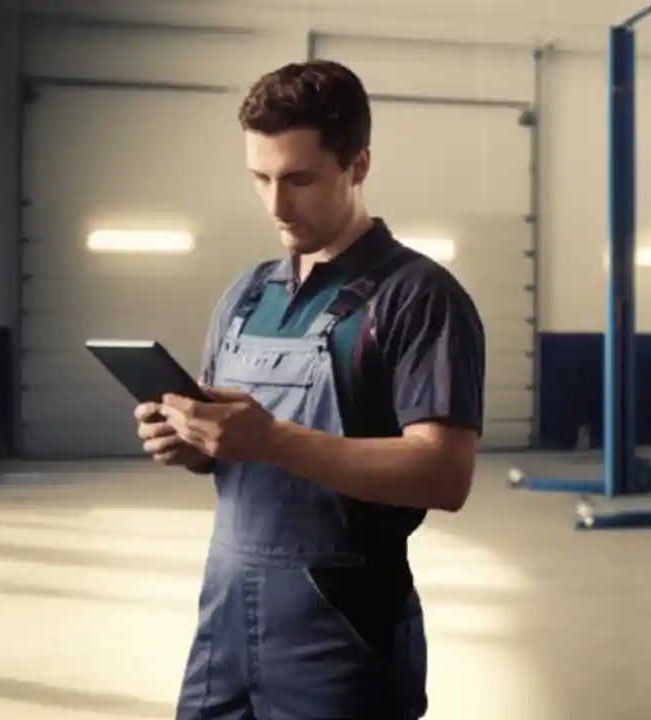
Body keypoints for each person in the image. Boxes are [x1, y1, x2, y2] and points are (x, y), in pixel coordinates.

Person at [131, 59, 486, 719]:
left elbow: (444, 474)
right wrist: (193, 443)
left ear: (359, 165)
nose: (276, 204)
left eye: (299, 178)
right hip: (224, 616)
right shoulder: (245, 295)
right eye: (259, 178)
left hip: (343, 629)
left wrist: (273, 439)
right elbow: (234, 444)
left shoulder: (418, 298)